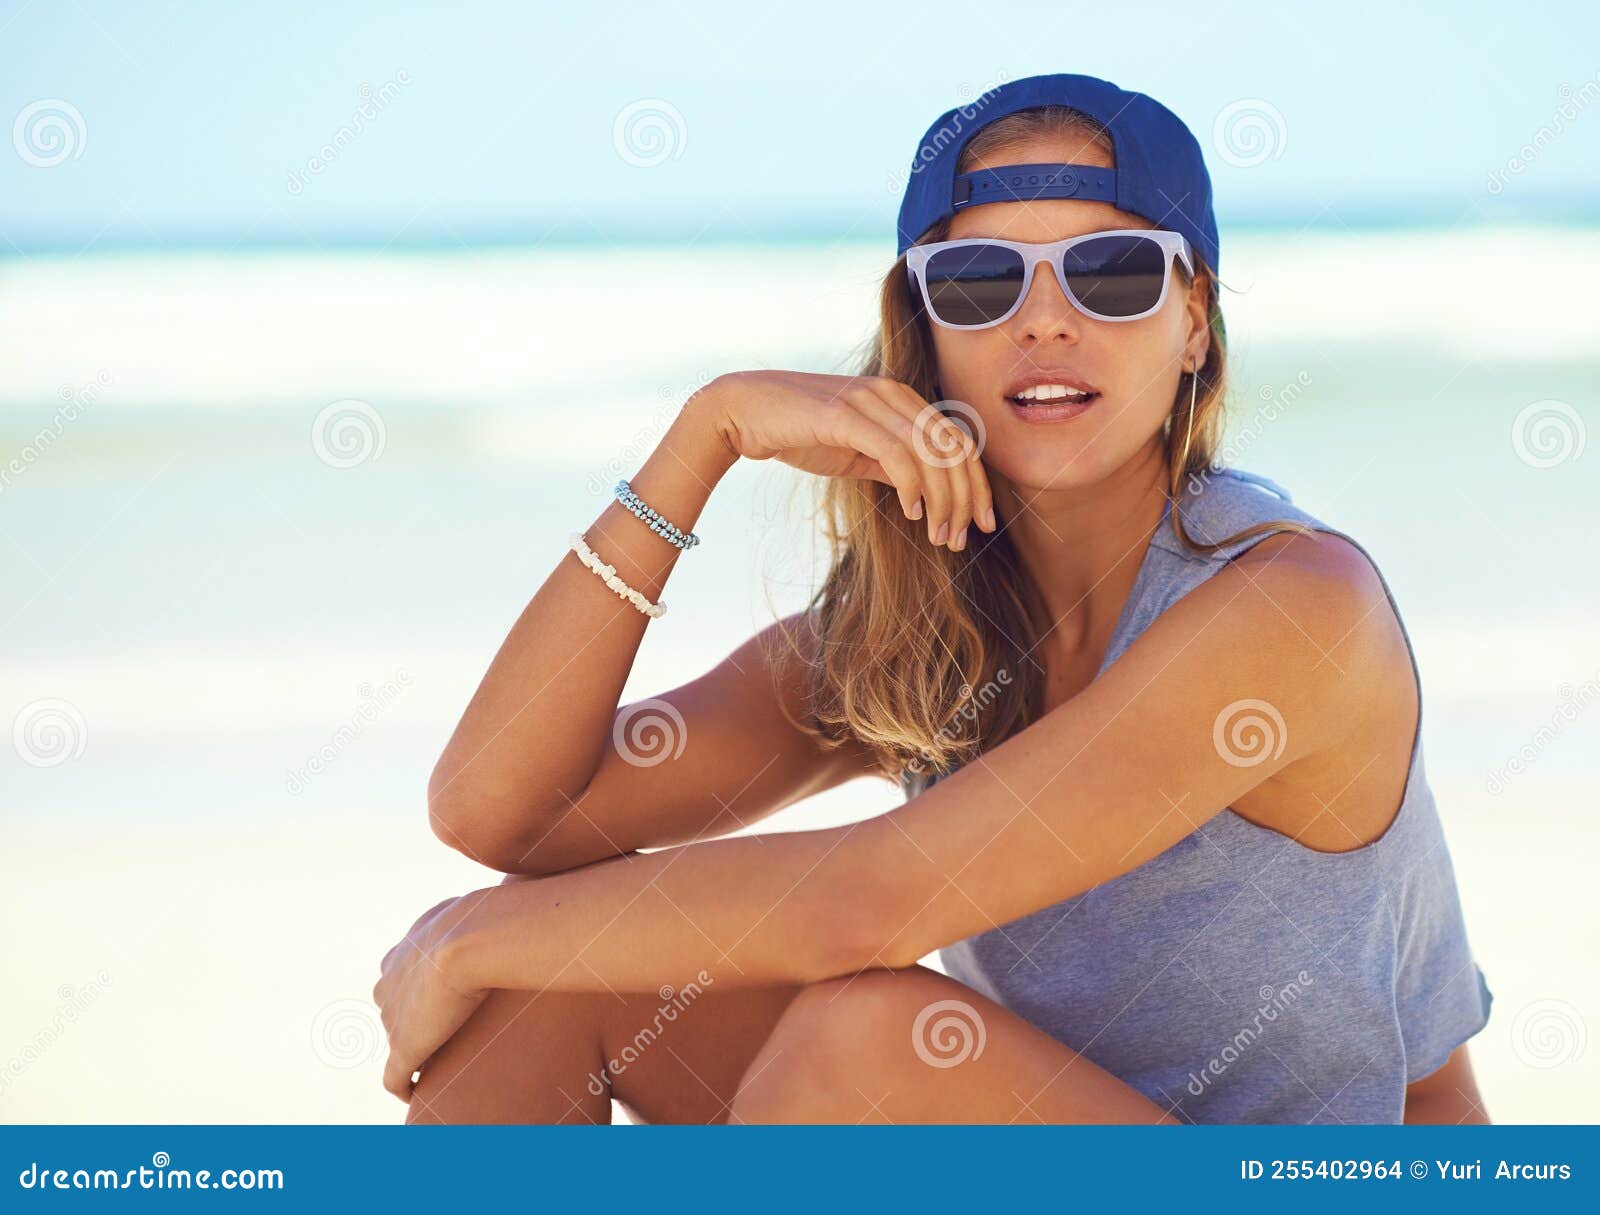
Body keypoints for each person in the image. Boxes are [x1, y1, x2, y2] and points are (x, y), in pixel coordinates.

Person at [373, 72, 1492, 1125]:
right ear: (926, 334)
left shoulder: (1291, 605)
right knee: (558, 983)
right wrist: (698, 440)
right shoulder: (922, 629)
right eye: (978, 282)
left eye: (1110, 272)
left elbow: (868, 904)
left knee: (866, 1039)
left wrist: (468, 936)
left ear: (1192, 321)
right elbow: (501, 812)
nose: (1044, 319)